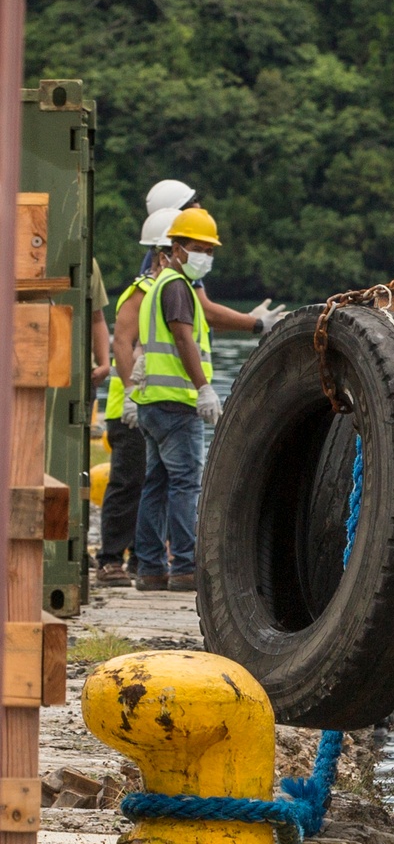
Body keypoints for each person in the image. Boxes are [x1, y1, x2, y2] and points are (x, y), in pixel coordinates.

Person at [130, 208, 283, 592]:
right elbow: (183, 339)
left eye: (210, 251)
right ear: (176, 248)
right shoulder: (178, 287)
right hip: (176, 403)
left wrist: (252, 323)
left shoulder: (160, 283)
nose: (205, 257)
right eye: (198, 249)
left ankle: (150, 569)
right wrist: (203, 388)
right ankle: (184, 566)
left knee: (156, 486)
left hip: (153, 401)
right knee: (185, 485)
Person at [93, 213, 173, 588]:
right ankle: (110, 559)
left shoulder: (173, 292)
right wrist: (128, 394)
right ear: (162, 255)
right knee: (128, 483)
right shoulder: (142, 292)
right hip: (129, 408)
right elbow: (122, 343)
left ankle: (143, 558)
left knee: (154, 484)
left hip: (156, 403)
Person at [141, 178, 284, 336]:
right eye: (193, 201)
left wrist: (247, 318)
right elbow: (204, 311)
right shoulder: (177, 258)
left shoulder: (163, 256)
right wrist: (256, 323)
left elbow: (196, 318)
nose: (199, 206)